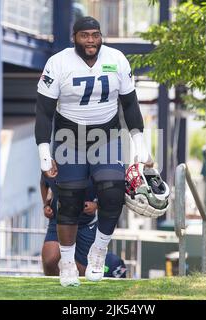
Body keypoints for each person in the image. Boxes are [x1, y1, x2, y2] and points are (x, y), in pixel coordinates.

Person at [35, 16, 151, 287]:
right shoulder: (58, 62)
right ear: (74, 37)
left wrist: (141, 147)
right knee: (69, 200)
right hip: (69, 137)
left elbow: (130, 105)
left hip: (105, 134)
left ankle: (98, 252)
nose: (91, 40)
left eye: (95, 35)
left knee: (113, 192)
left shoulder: (117, 59)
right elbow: (43, 111)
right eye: (85, 35)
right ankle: (66, 262)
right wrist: (44, 152)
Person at [40, 174, 127, 279]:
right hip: (60, 219)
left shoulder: (94, 163)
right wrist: (46, 205)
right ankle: (57, 291)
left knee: (83, 269)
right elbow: (44, 182)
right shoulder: (54, 161)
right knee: (49, 260)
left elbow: (112, 191)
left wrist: (96, 205)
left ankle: (77, 292)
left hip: (86, 223)